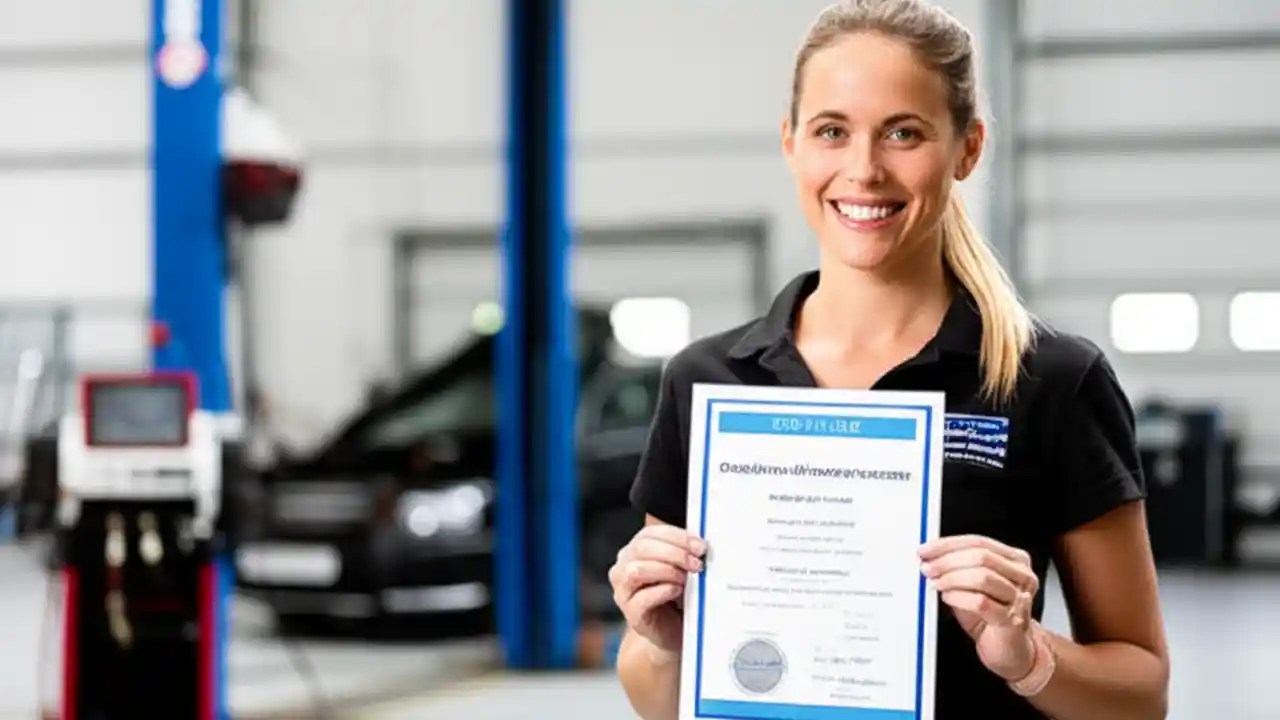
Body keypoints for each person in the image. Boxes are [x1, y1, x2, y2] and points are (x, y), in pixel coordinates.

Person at [609, 1, 1171, 718]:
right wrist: (661, 642)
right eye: (832, 132)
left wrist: (1029, 656)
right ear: (791, 143)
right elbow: (660, 701)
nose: (864, 169)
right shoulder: (709, 382)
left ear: (968, 148)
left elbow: (1142, 695)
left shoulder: (1051, 381)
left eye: (903, 133)